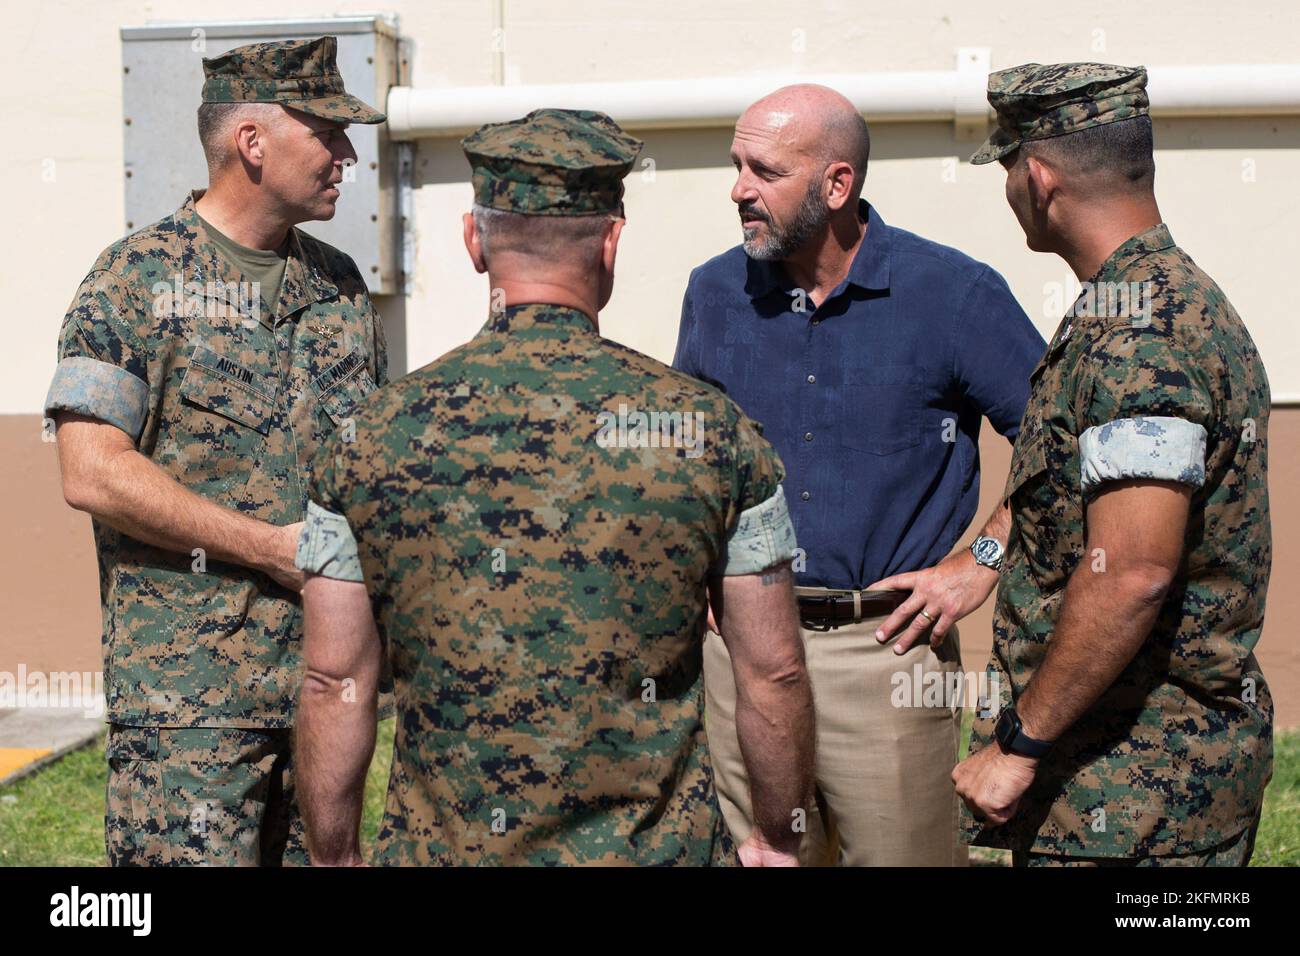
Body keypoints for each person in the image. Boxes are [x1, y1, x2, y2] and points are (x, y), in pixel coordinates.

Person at [293, 108, 815, 866]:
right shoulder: (707, 430)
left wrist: (332, 855)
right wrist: (778, 835)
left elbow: (333, 678)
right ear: (610, 242)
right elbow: (774, 672)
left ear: (475, 243)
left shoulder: (369, 436)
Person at [673, 83, 1044, 865]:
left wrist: (980, 562)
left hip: (884, 655)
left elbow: (1062, 449)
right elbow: (692, 461)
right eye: (736, 166)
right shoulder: (715, 292)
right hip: (740, 657)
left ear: (837, 185)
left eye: (765, 171)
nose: (739, 188)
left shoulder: (954, 295)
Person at [44, 35, 388, 865]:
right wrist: (271, 549)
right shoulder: (131, 281)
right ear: (252, 143)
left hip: (327, 693)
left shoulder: (340, 287)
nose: (347, 153)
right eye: (328, 133)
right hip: (190, 708)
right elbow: (91, 472)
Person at [954, 62, 1272, 867]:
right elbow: (1059, 494)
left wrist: (1019, 746)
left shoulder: (1141, 338)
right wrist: (982, 560)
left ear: (1038, 178)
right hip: (1139, 785)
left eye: (1006, 174)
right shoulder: (1142, 303)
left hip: (1133, 797)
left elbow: (1132, 570)